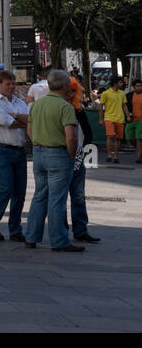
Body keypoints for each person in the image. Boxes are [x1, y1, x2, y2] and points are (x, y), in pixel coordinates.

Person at [23, 70, 84, 252]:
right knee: (57, 199)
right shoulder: (65, 107)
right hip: (58, 154)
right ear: (65, 85)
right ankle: (59, 241)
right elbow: (71, 137)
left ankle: (31, 236)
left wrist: (38, 143)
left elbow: (29, 130)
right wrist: (72, 155)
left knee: (39, 195)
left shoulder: (37, 105)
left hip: (39, 153)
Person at [0, 70, 29, 242]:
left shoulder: (19, 102)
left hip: (19, 149)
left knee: (20, 192)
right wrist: (21, 121)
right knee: (5, 187)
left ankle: (15, 229)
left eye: (12, 83)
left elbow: (30, 119)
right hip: (1, 149)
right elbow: (5, 122)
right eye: (7, 84)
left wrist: (18, 118)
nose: (11, 87)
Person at [67, 78, 99, 244]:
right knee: (59, 196)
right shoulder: (58, 107)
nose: (71, 93)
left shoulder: (78, 109)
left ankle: (80, 230)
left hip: (76, 154)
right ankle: (63, 231)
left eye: (73, 91)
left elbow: (88, 132)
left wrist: (82, 151)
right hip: (60, 154)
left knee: (78, 194)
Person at [100, 76, 128, 164]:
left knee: (118, 139)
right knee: (110, 136)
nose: (122, 84)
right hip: (109, 118)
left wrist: (128, 116)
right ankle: (109, 155)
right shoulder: (106, 93)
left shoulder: (122, 93)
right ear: (115, 83)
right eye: (120, 82)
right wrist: (101, 119)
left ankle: (116, 156)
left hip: (120, 119)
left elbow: (124, 105)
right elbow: (100, 106)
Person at [127, 79, 142, 163]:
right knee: (129, 137)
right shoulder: (129, 95)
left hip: (141, 120)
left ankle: (139, 157)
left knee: (139, 138)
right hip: (131, 120)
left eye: (140, 86)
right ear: (133, 87)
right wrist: (127, 115)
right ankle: (140, 151)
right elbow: (125, 106)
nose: (139, 88)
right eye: (137, 86)